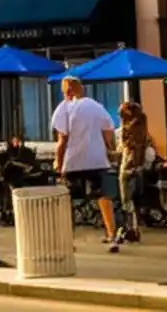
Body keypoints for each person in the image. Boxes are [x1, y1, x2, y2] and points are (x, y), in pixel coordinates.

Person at [52, 76, 120, 253]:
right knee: (103, 197)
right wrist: (109, 151)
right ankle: (111, 235)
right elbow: (108, 134)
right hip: (97, 159)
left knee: (68, 201)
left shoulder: (64, 109)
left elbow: (62, 140)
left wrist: (58, 164)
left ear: (67, 90)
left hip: (73, 161)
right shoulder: (97, 107)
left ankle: (69, 240)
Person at [116, 102, 152, 243]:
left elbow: (124, 146)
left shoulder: (128, 128)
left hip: (128, 166)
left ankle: (128, 229)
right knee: (136, 200)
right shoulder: (142, 126)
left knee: (126, 200)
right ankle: (136, 229)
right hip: (139, 167)